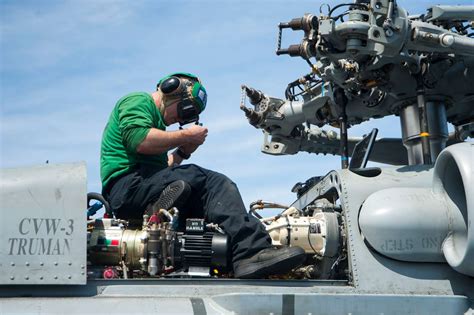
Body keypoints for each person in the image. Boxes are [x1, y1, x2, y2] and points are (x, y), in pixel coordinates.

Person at [100, 72, 305, 278]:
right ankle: (251, 252)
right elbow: (139, 139)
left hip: (144, 187)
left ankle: (230, 263)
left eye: (187, 117)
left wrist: (183, 152)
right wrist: (185, 135)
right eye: (184, 110)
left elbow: (164, 170)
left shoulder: (159, 128)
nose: (179, 120)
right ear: (171, 89)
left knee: (199, 202)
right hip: (128, 188)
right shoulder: (138, 101)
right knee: (212, 183)